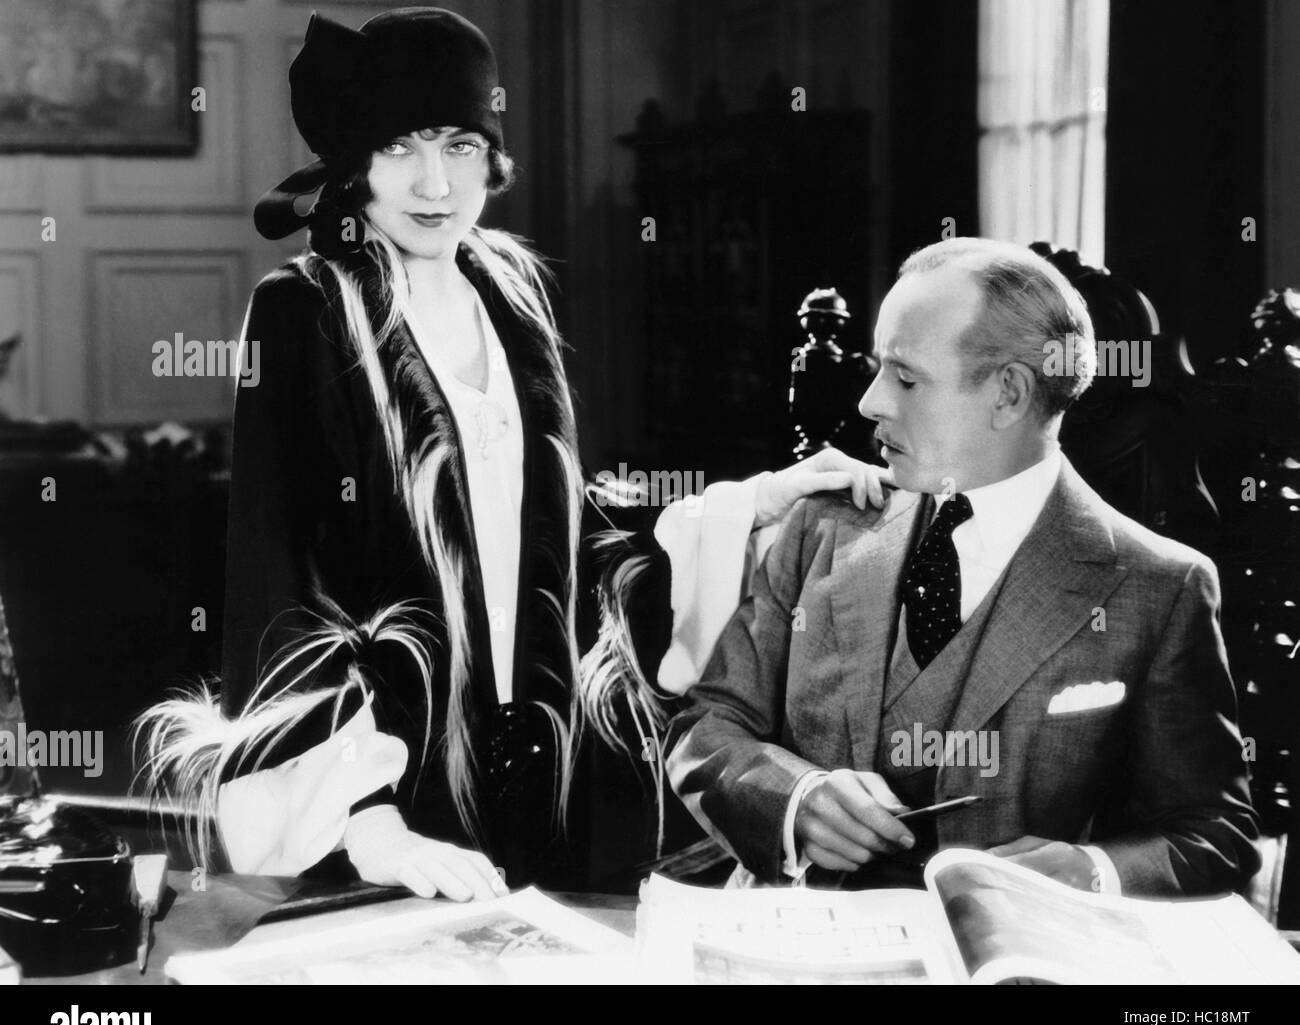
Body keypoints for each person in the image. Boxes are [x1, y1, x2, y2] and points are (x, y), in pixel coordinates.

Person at [136, 7, 889, 901]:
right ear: (357, 160)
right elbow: (276, 574)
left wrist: (751, 499)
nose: (433, 181)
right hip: (380, 783)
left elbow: (565, 532)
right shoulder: (303, 310)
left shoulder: (510, 294)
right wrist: (370, 823)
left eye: (459, 146)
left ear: (491, 156)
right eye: (402, 146)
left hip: (532, 765)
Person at [666, 237, 1261, 897]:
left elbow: (1216, 832)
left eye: (906, 376)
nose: (870, 402)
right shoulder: (824, 524)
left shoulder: (1161, 587)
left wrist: (1091, 870)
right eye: (876, 367)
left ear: (1007, 394)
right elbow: (705, 728)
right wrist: (794, 800)